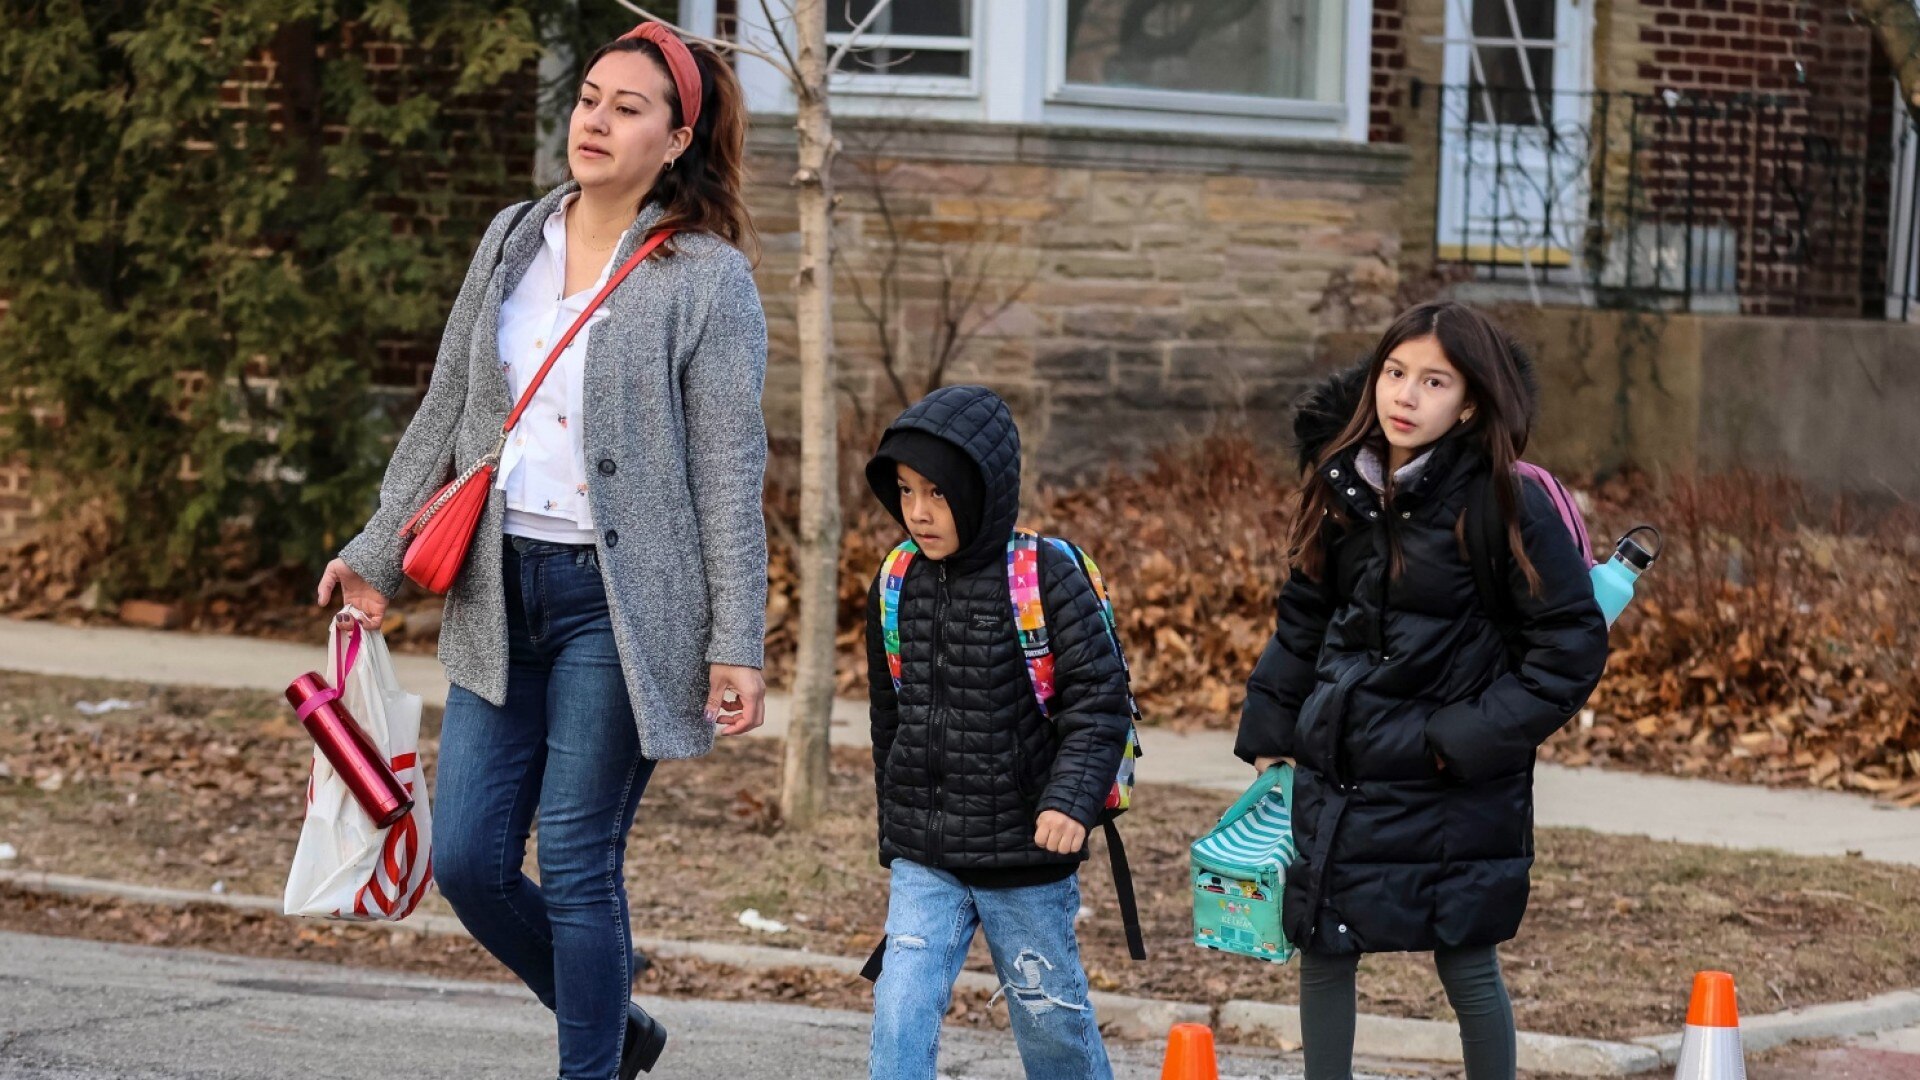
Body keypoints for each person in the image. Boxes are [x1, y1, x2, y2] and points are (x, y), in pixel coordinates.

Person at [315, 22, 768, 1079]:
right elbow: (450, 410)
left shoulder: (707, 279)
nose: (596, 120)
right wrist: (379, 550)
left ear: (676, 138)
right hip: (494, 588)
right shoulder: (513, 234)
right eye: (590, 98)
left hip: (621, 607)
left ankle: (590, 1066)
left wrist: (735, 641)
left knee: (573, 857)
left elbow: (728, 472)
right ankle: (617, 1030)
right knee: (468, 861)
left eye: (628, 107)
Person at [1234, 302, 1609, 1080]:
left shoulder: (1505, 502)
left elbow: (1568, 649)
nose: (1405, 395)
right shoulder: (1347, 487)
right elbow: (1304, 618)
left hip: (1453, 781)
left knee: (1466, 961)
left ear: (1470, 401)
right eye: (1394, 373)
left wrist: (1460, 741)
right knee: (1324, 946)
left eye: (1433, 381)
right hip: (1343, 768)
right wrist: (1274, 732)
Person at [861, 385, 1130, 1080]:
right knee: (898, 1015)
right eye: (905, 491)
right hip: (928, 858)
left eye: (938, 494)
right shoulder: (895, 580)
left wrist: (1070, 803)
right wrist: (896, 831)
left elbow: (1100, 702)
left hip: (1025, 857)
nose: (918, 512)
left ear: (983, 488)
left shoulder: (1043, 576)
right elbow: (888, 717)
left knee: (1052, 1032)